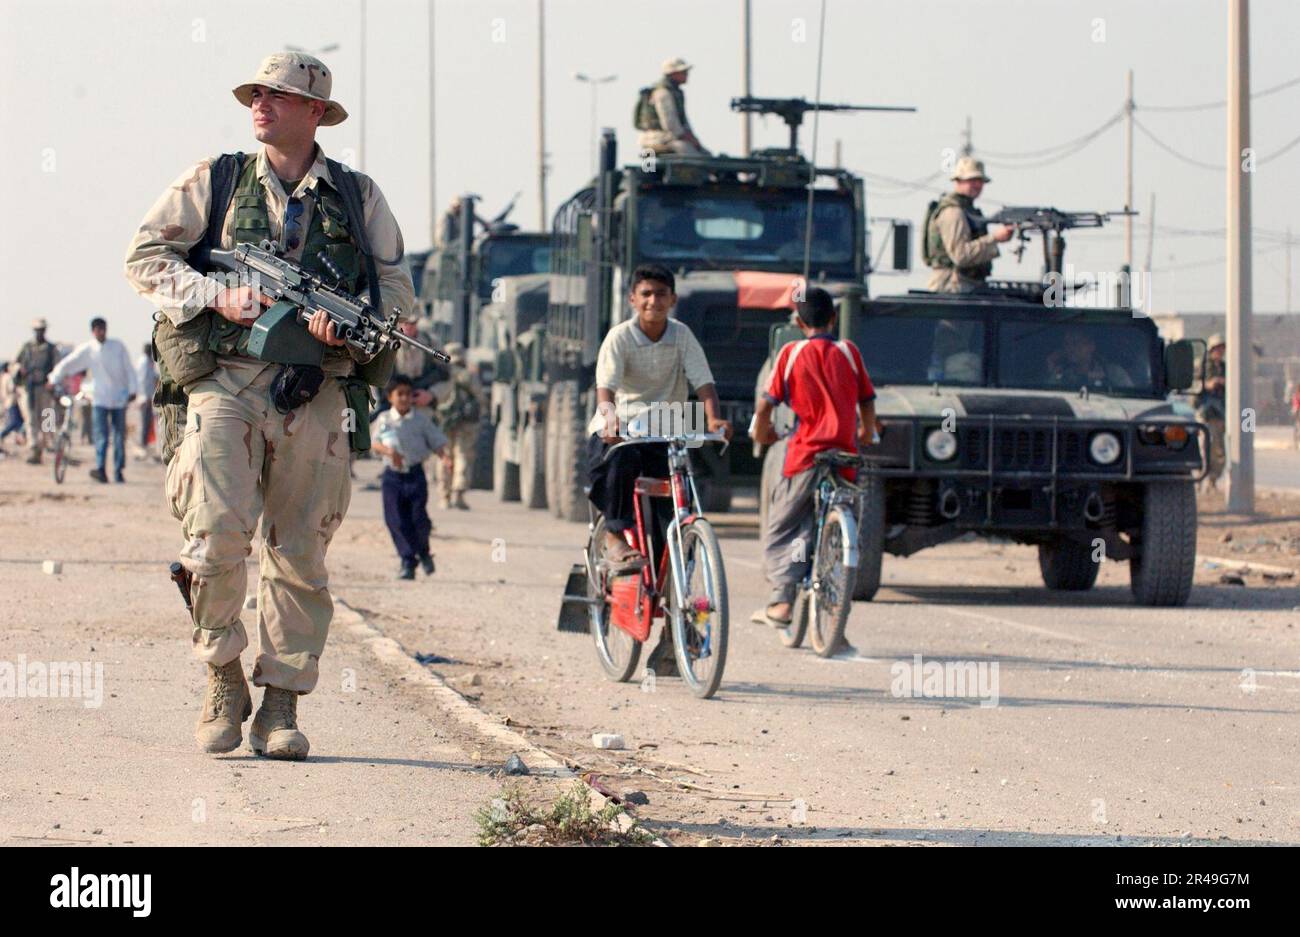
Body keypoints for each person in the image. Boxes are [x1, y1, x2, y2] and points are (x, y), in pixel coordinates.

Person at [124, 51, 416, 760]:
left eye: (278, 96)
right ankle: (224, 675)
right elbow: (142, 257)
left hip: (313, 388)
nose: (260, 104)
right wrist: (212, 293)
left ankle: (280, 702)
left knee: (301, 550)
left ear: (314, 112)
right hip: (223, 378)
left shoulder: (357, 196)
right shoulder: (216, 180)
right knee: (214, 536)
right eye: (257, 93)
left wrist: (346, 328)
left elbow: (397, 292)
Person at [586, 263, 731, 672]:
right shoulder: (620, 337)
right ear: (633, 299)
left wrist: (714, 419)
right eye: (645, 294)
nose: (653, 301)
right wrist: (609, 415)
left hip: (668, 429)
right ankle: (614, 535)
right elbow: (606, 386)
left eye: (660, 294)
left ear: (672, 300)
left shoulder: (682, 336)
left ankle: (675, 633)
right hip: (625, 427)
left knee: (677, 519)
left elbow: (703, 383)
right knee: (618, 460)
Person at [750, 288, 877, 634]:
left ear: (797, 321)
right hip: (845, 455)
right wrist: (866, 432)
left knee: (787, 526)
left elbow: (766, 405)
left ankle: (782, 600)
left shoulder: (790, 353)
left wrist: (762, 433)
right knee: (846, 514)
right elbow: (867, 400)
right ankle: (837, 606)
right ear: (833, 319)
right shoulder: (849, 352)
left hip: (806, 452)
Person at [371, 375, 449, 580]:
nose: (404, 398)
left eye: (408, 394)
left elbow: (436, 441)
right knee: (395, 520)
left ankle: (423, 551)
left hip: (415, 475)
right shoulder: (384, 420)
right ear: (390, 397)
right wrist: (389, 452)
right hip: (392, 478)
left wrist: (445, 458)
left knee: (418, 519)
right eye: (400, 394)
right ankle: (407, 561)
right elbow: (374, 443)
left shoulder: (421, 420)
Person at [48, 318, 139, 484]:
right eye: (98, 329)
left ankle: (118, 472)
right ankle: (101, 470)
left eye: (103, 328)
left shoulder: (117, 346)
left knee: (119, 437)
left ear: (106, 329)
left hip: (119, 398)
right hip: (100, 399)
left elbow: (129, 368)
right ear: (93, 331)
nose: (101, 332)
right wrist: (53, 378)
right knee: (101, 437)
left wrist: (133, 390)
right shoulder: (89, 349)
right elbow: (70, 363)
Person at [924, 157, 1013, 293]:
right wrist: (994, 238)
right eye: (971, 181)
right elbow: (961, 256)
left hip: (964, 284)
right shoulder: (953, 212)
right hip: (952, 285)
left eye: (979, 181)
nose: (977, 185)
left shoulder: (966, 210)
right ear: (958, 181)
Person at [435, 342, 485, 510]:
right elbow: (480, 398)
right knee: (463, 456)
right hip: (465, 423)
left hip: (444, 421)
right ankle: (459, 494)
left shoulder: (443, 374)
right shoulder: (468, 375)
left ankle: (444, 496)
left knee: (444, 457)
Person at [636, 57, 710, 156]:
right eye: (683, 72)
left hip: (668, 137)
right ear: (673, 73)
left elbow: (683, 122)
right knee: (695, 158)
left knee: (705, 155)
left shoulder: (675, 93)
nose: (686, 74)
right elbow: (670, 124)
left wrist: (693, 140)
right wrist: (687, 138)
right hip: (657, 139)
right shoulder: (663, 93)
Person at [14, 318, 59, 464]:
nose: (40, 333)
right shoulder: (27, 347)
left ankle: (48, 444)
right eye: (37, 330)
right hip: (30, 388)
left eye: (42, 330)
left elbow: (58, 368)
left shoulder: (52, 349)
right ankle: (34, 448)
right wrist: (20, 371)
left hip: (45, 388)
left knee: (47, 418)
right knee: (31, 419)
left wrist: (53, 383)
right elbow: (16, 364)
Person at [1043, 326, 1134, 390]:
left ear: (1091, 346)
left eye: (1076, 343)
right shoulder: (1060, 375)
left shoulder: (1113, 373)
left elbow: (1130, 399)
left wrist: (1106, 382)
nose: (1070, 348)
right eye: (1067, 344)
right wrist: (1052, 372)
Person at [1196, 334, 1227, 488]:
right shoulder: (1202, 366)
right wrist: (1209, 384)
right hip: (1205, 413)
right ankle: (1201, 478)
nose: (1221, 351)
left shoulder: (1224, 367)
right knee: (1204, 447)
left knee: (1218, 450)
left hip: (1219, 414)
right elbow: (1194, 385)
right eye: (1218, 348)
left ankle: (1212, 480)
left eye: (1222, 348)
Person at [135, 342, 159, 459]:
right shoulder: (144, 362)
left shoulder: (148, 362)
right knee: (144, 423)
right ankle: (142, 446)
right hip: (145, 398)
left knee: (147, 422)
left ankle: (145, 444)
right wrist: (146, 397)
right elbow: (143, 381)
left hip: (147, 397)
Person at [0, 361, 23, 453]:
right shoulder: (8, 377)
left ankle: (18, 438)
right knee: (14, 422)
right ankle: (2, 435)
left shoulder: (3, 377)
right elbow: (12, 388)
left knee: (19, 422)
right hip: (12, 402)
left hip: (9, 402)